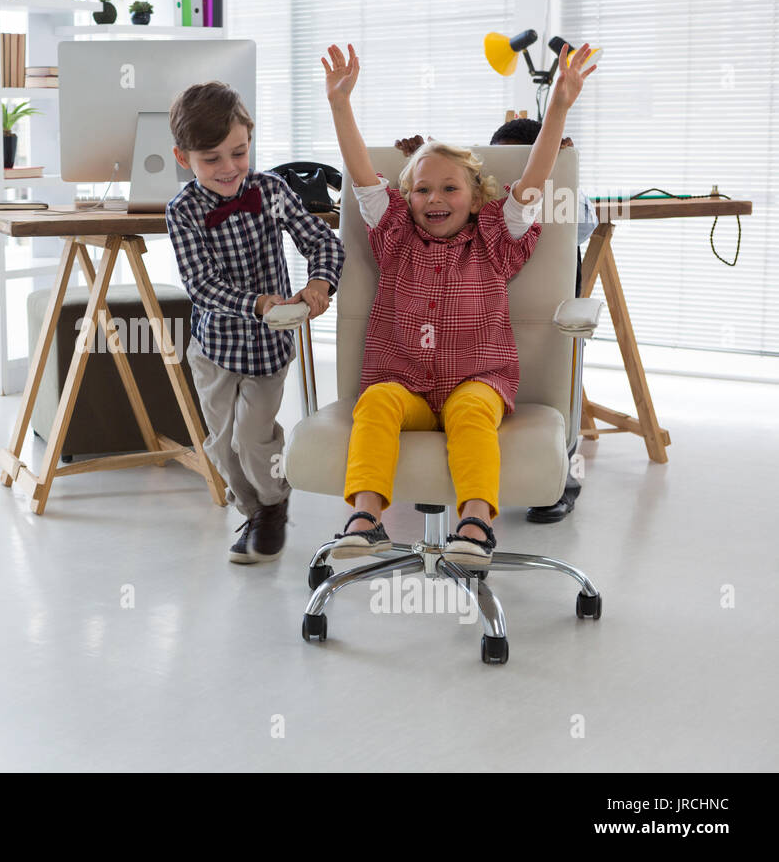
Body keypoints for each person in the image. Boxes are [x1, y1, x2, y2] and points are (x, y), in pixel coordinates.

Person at [321, 41, 596, 565]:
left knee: (472, 413)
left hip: (477, 380)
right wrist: (340, 104)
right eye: (422, 190)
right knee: (374, 401)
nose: (436, 199)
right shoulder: (393, 233)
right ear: (406, 198)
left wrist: (558, 105)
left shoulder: (497, 236)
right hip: (405, 384)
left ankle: (474, 524)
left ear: (476, 194)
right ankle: (366, 518)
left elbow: (535, 182)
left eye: (450, 188)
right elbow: (360, 177)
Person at [165, 81, 346, 564]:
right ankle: (256, 511)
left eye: (238, 152)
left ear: (250, 141)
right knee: (222, 448)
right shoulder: (182, 212)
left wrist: (319, 283)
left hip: (267, 349)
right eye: (211, 159)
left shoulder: (271, 190)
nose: (228, 168)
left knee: (253, 438)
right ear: (184, 159)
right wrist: (259, 303)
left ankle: (273, 502)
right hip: (214, 348)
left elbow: (323, 242)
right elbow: (201, 286)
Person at [489, 118, 597, 522]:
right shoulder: (484, 191)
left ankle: (559, 485)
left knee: (553, 394)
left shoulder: (564, 193)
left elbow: (584, 222)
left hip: (548, 315)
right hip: (487, 311)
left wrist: (563, 171)